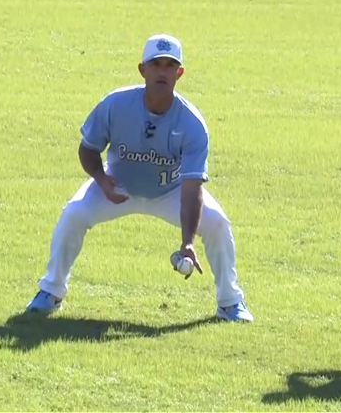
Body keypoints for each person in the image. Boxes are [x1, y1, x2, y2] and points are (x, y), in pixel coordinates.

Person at [25, 34, 253, 322]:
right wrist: (101, 178)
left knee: (218, 224)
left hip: (170, 192)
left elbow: (192, 186)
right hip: (117, 186)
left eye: (170, 65)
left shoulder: (191, 123)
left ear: (179, 73)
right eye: (155, 64)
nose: (162, 71)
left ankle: (230, 303)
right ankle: (50, 292)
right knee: (74, 214)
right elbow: (88, 149)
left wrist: (188, 241)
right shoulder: (115, 105)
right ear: (142, 69)